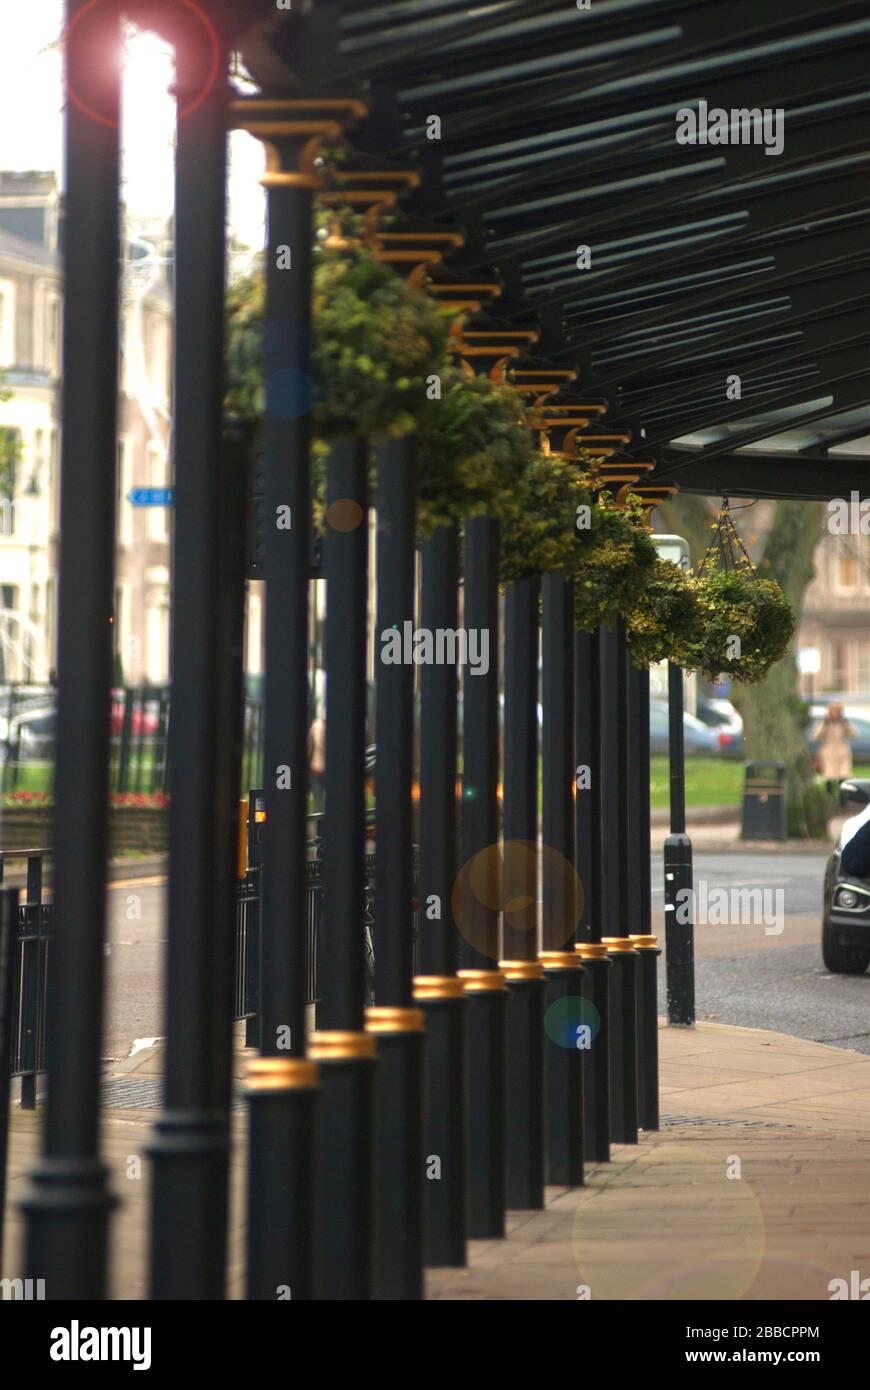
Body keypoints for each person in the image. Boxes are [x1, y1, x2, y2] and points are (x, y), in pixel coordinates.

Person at [811, 702, 857, 793]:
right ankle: (829, 798)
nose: (835, 714)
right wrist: (824, 725)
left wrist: (846, 725)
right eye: (833, 712)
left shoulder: (844, 723)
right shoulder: (824, 723)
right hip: (828, 754)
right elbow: (815, 737)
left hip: (842, 753)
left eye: (838, 712)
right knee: (829, 777)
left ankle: (843, 800)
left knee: (843, 776)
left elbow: (854, 735)